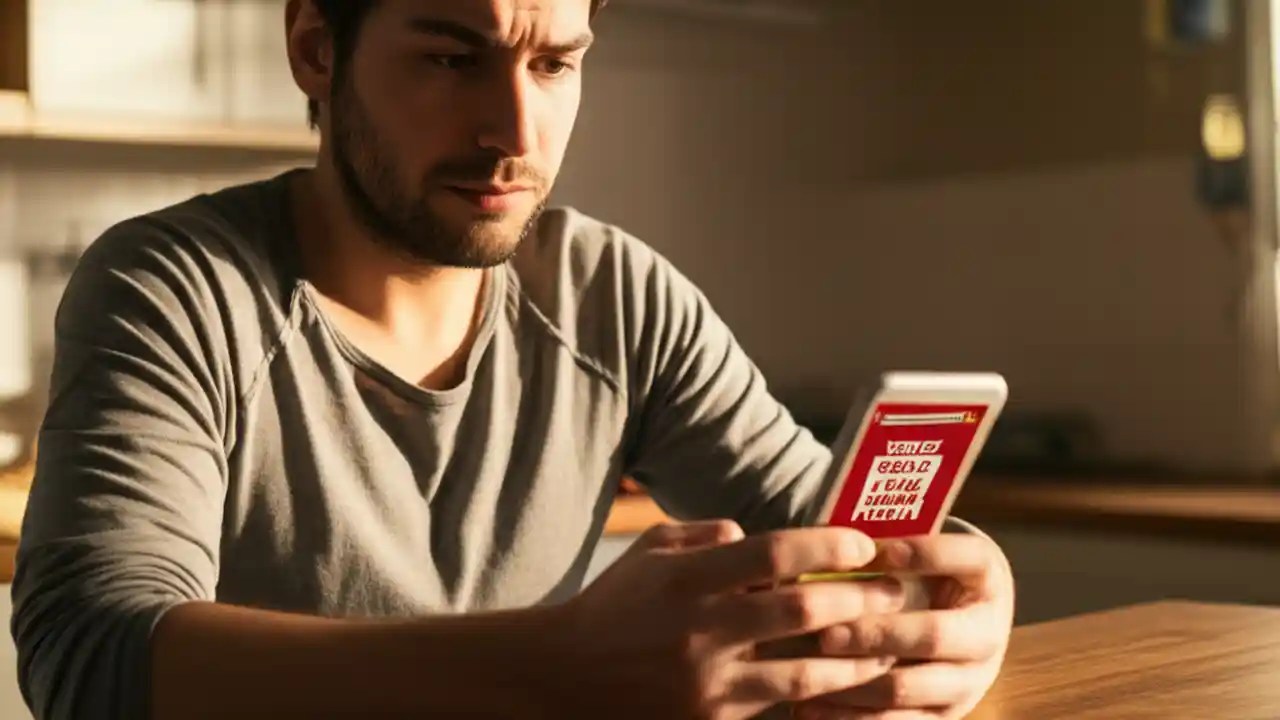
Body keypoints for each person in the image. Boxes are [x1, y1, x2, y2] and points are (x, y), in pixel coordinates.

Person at [11, 1, 1015, 718]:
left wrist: (967, 593)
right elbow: (91, 663)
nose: (514, 133)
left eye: (553, 64)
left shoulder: (613, 295)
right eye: (453, 60)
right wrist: (564, 663)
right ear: (317, 49)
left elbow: (831, 527)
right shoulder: (174, 285)